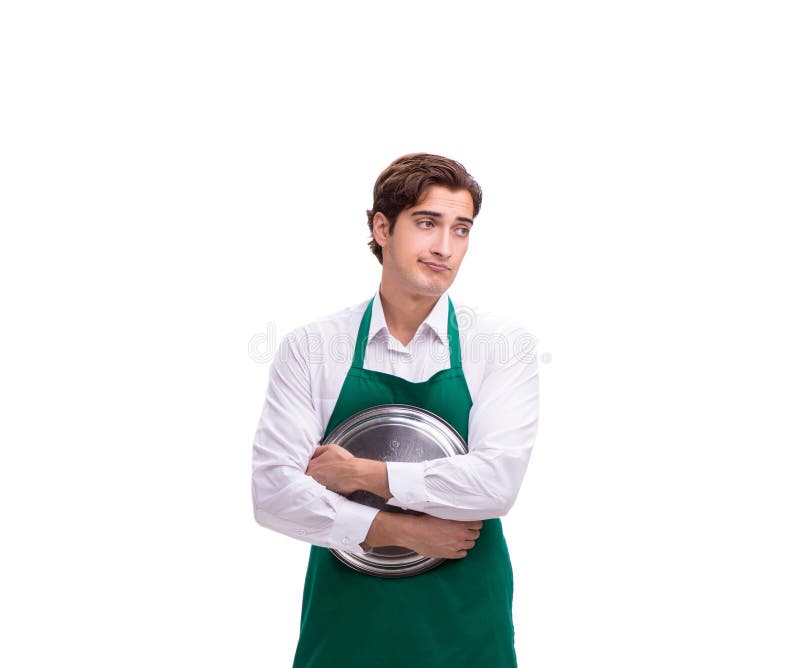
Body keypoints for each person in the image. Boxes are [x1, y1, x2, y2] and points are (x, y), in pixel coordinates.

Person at [252, 153, 539, 667]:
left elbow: (497, 483)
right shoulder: (313, 347)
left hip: (465, 621)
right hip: (347, 624)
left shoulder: (500, 345)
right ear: (382, 227)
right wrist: (401, 529)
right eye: (427, 223)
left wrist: (360, 474)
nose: (444, 248)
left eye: (461, 229)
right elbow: (273, 493)